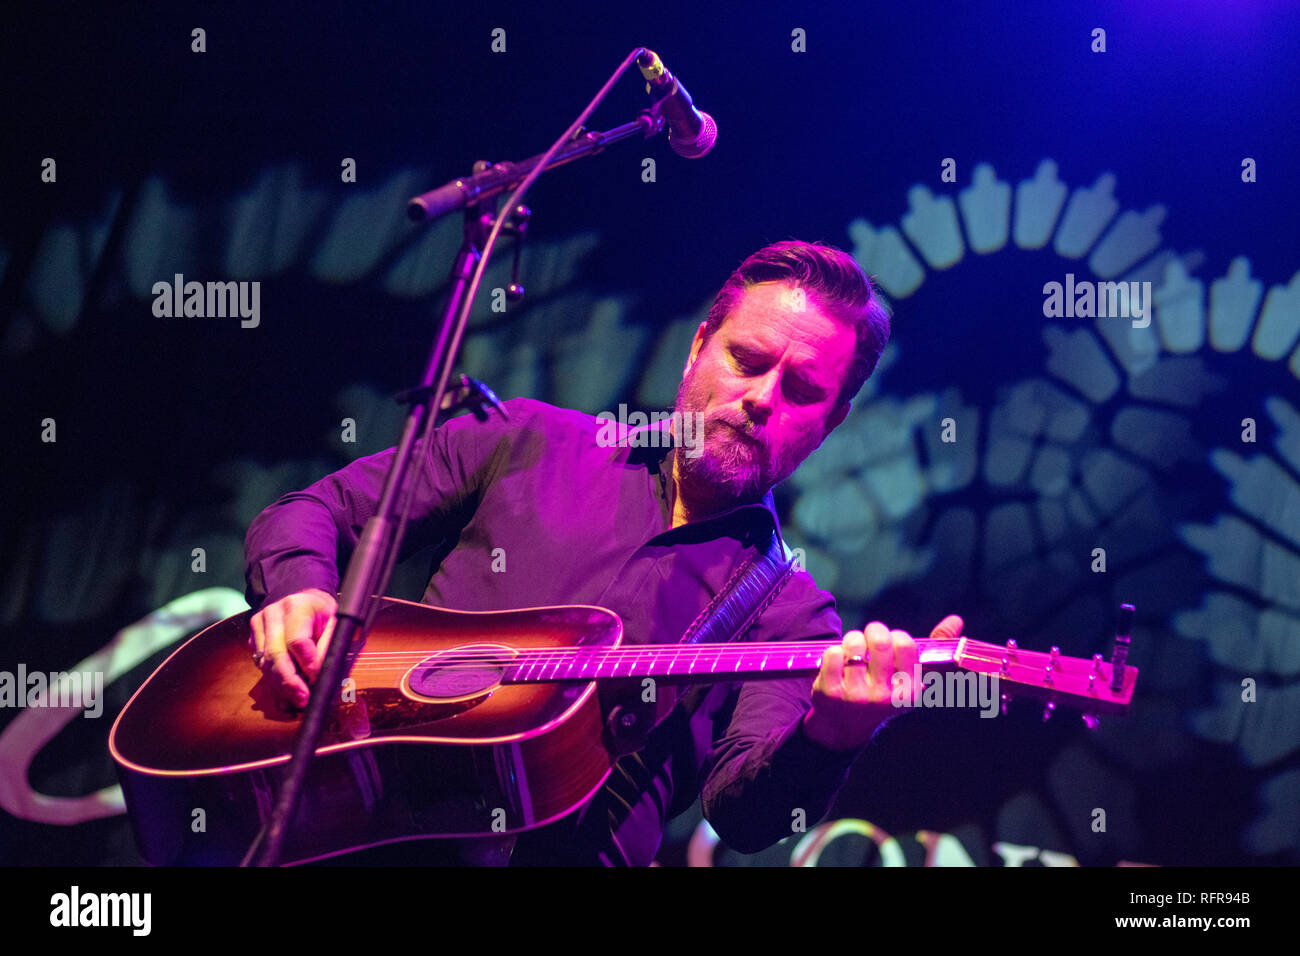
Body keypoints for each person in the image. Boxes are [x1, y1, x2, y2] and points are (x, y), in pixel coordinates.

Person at [243, 238, 963, 865]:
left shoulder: (795, 613)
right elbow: (314, 511)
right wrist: (299, 590)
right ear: (698, 347)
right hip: (346, 833)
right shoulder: (527, 440)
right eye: (747, 359)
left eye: (803, 390)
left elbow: (745, 816)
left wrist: (833, 734)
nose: (761, 399)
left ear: (831, 422)